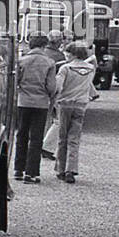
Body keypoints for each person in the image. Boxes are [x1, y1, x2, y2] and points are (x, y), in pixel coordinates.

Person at [52, 42, 100, 183]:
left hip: (65, 104)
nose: (65, 55)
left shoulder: (65, 68)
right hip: (81, 105)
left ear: (73, 54)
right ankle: (71, 170)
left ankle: (60, 169)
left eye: (67, 53)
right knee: (74, 138)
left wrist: (54, 101)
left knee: (62, 138)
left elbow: (58, 87)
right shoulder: (91, 69)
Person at [14, 34, 57, 183]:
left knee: (21, 135)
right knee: (36, 138)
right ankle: (31, 173)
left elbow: (15, 81)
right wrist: (51, 97)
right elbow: (51, 86)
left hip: (23, 102)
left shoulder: (22, 60)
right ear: (44, 46)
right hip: (40, 104)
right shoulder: (49, 63)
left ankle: (18, 169)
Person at [39, 29, 67, 160]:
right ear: (59, 42)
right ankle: (45, 146)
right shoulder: (60, 57)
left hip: (36, 91)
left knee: (41, 119)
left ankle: (38, 143)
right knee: (54, 120)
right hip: (52, 91)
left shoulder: (42, 53)